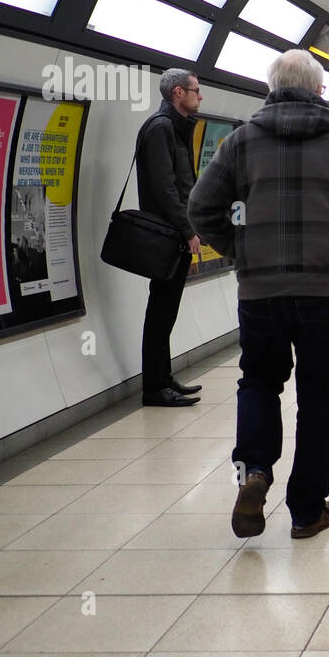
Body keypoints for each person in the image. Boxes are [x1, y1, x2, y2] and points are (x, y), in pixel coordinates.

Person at [187, 49, 329, 539]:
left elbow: (200, 207)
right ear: (321, 90)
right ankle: (306, 509)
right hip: (323, 291)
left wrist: (240, 251)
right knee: (317, 399)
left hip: (260, 291)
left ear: (270, 88)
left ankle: (255, 470)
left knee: (259, 381)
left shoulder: (239, 141)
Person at [136, 67, 204, 408]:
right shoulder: (161, 128)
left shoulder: (173, 128)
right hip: (165, 235)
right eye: (195, 90)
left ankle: (163, 377)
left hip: (171, 232)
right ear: (178, 92)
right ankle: (154, 387)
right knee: (160, 311)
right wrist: (187, 230)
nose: (199, 96)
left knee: (166, 310)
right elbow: (165, 187)